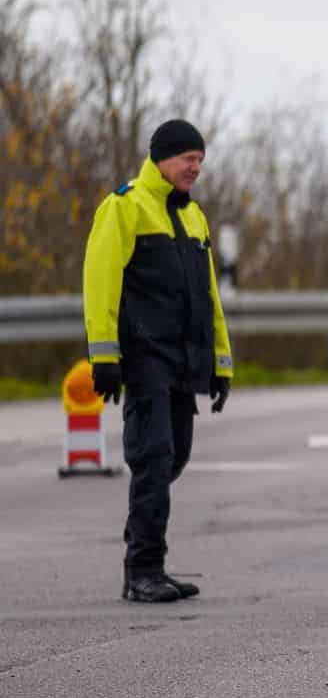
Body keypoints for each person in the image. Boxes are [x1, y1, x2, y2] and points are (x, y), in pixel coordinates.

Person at [81, 119, 233, 604]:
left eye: (200, 161)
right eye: (189, 159)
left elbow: (209, 297)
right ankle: (144, 568)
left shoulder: (194, 218)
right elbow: (99, 282)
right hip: (143, 357)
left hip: (182, 363)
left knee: (174, 457)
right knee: (154, 458)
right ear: (163, 157)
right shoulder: (123, 207)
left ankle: (142, 554)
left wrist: (220, 365)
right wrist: (103, 355)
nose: (196, 168)